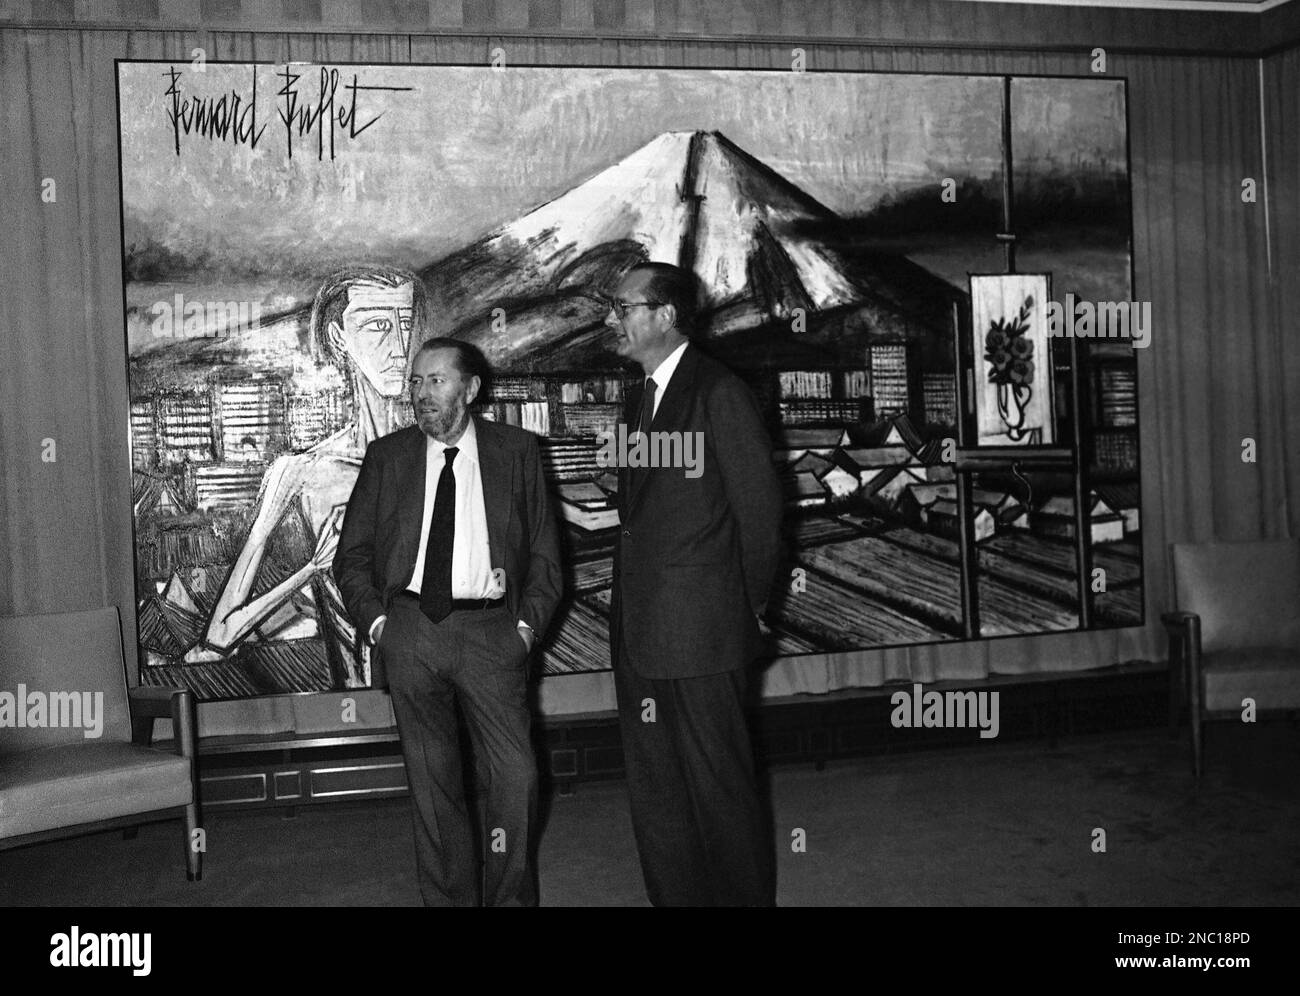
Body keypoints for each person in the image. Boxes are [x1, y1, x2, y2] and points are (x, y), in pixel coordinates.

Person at [333, 337, 562, 907]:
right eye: (416, 382)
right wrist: (382, 626)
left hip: (492, 635)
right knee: (434, 791)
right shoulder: (388, 457)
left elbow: (547, 559)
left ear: (470, 388)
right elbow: (351, 557)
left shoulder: (517, 452)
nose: (422, 393)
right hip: (411, 630)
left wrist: (525, 631)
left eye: (436, 380)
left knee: (516, 778)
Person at [604, 261, 784, 906]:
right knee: (657, 786)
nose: (611, 320)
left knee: (718, 785)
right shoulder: (637, 397)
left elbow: (759, 516)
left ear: (665, 315)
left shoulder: (718, 392)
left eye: (622, 307)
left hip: (704, 629)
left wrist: (749, 608)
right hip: (639, 629)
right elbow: (641, 513)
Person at [185, 265, 425, 689]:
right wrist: (311, 570)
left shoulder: (441, 455)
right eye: (377, 326)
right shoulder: (298, 473)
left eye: (406, 323)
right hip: (356, 696)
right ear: (339, 338)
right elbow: (221, 632)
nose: (400, 347)